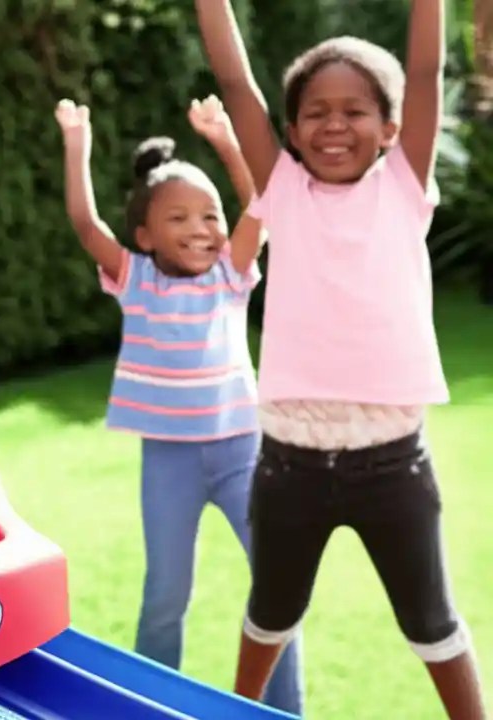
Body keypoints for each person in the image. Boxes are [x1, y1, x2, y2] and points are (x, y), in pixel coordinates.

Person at [195, 0, 485, 716]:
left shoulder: (404, 186)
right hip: (289, 464)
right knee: (270, 614)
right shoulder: (281, 190)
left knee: (432, 624)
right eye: (315, 113)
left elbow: (425, 68)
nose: (333, 125)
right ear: (291, 132)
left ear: (391, 128)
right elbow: (235, 83)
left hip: (393, 463)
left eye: (354, 111)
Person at [54, 93, 303, 715]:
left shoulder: (231, 273)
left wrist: (226, 141)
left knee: (277, 582)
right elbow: (85, 225)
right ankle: (150, 707)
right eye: (180, 218)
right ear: (145, 236)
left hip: (242, 452)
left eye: (210, 215)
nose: (201, 228)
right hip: (170, 461)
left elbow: (259, 203)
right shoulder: (135, 279)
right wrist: (77, 145)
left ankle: (284, 712)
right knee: (166, 594)